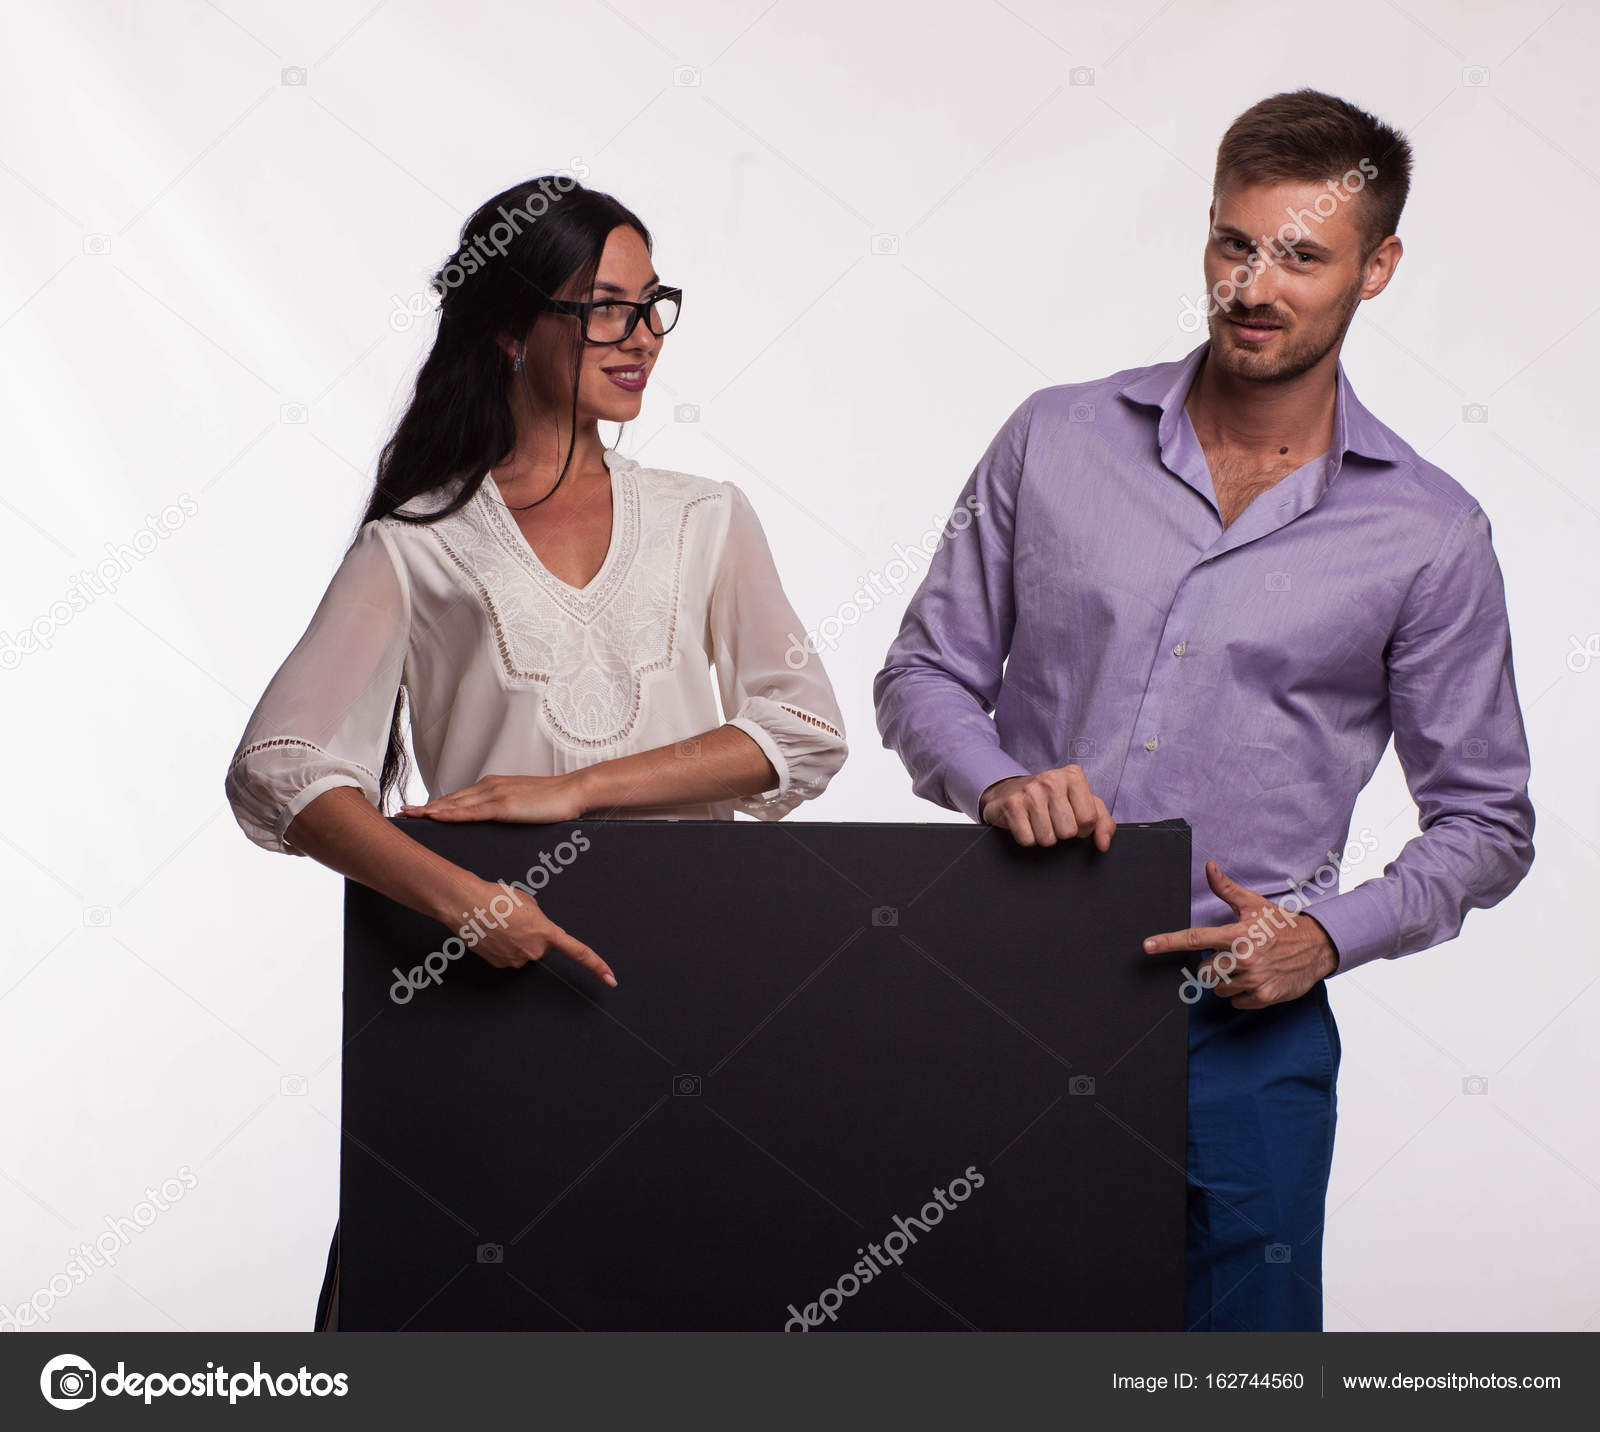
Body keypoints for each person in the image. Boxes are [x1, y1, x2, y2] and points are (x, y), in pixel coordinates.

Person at [872, 88, 1534, 1331]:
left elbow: (1486, 823)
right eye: (1236, 243)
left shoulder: (1429, 532)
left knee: (1245, 1376)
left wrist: (1324, 936)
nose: (1253, 286)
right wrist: (997, 780)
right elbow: (923, 672)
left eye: (1301, 256)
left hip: (1245, 1025)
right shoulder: (1054, 436)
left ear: (1376, 268)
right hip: (1003, 984)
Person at [223, 178, 848, 1330]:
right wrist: (466, 904)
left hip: (696, 986)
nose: (642, 335)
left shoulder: (704, 517)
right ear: (512, 329)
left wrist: (577, 789)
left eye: (652, 305)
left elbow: (799, 727)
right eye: (606, 307)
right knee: (458, 1314)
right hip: (488, 995)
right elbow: (281, 765)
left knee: (691, 1303)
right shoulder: (420, 543)